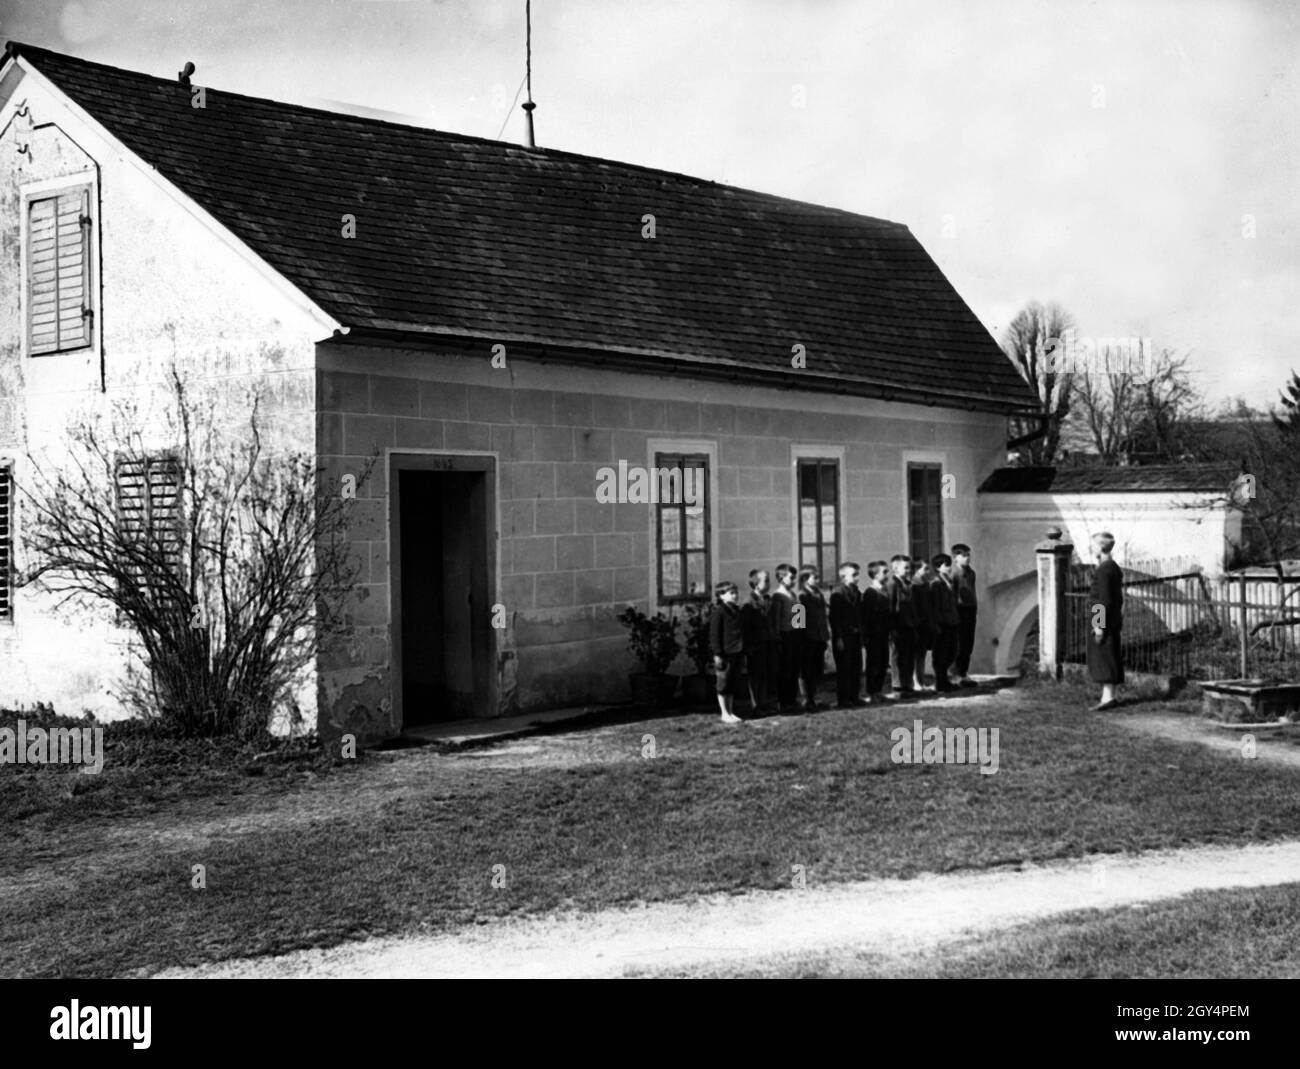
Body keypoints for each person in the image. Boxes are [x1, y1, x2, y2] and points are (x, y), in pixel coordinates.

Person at [1087, 532, 1124, 710]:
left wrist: (1098, 625)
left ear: (1101, 547)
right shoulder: (1113, 567)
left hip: (1104, 622)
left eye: (1093, 545)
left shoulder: (1103, 570)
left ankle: (1108, 698)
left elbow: (1102, 600)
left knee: (1105, 658)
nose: (1091, 549)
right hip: (1113, 620)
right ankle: (1108, 696)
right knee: (1109, 657)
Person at [741, 569, 778, 713]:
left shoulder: (771, 599)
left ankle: (768, 703)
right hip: (756, 645)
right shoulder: (749, 603)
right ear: (756, 584)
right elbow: (745, 627)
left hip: (771, 642)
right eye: (766, 581)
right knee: (757, 676)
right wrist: (748, 646)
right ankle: (757, 705)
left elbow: (776, 620)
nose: (769, 583)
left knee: (769, 674)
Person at [709, 580, 746, 723]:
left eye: (736, 592)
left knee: (732, 683)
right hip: (725, 653)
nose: (735, 595)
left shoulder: (736, 611)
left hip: (737, 651)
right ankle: (724, 712)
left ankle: (731, 711)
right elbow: (714, 635)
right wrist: (718, 653)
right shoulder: (719, 613)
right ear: (721, 596)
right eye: (731, 593)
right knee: (723, 683)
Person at [829, 561, 864, 708]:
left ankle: (854, 696)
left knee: (856, 666)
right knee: (844, 668)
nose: (857, 578)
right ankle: (843, 699)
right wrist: (838, 638)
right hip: (843, 636)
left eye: (858, 575)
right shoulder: (837, 594)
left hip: (855, 635)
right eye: (854, 575)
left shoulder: (857, 593)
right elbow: (835, 619)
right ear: (843, 577)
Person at [769, 563, 802, 713]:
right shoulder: (777, 597)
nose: (794, 580)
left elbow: (799, 618)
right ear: (781, 578)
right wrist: (778, 641)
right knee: (785, 670)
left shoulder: (794, 595)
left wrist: (801, 633)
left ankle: (793, 700)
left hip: (795, 636)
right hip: (784, 636)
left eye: (795, 577)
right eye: (791, 577)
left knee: (794, 669)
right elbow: (775, 621)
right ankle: (784, 702)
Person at [797, 565, 830, 712]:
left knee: (817, 670)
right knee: (806, 670)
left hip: (819, 638)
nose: (817, 580)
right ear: (805, 580)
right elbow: (797, 621)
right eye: (814, 577)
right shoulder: (801, 596)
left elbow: (823, 617)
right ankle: (806, 699)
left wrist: (825, 637)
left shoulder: (819, 594)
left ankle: (814, 698)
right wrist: (801, 639)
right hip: (806, 639)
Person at [860, 560, 893, 702]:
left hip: (884, 633)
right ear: (875, 574)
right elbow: (866, 617)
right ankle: (872, 693)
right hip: (874, 635)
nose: (887, 575)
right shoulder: (870, 593)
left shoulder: (884, 591)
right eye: (884, 572)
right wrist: (866, 636)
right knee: (874, 664)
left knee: (883, 663)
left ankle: (878, 691)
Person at [884, 555, 916, 696]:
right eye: (905, 567)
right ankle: (898, 687)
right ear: (895, 568)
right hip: (897, 628)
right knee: (897, 657)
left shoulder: (908, 585)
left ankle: (908, 685)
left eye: (909, 567)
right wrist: (891, 629)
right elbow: (890, 608)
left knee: (909, 657)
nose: (908, 570)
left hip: (909, 626)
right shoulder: (892, 585)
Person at [929, 553, 960, 692]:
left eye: (949, 565)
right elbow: (935, 606)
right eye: (946, 565)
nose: (949, 568)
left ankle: (945, 680)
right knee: (941, 654)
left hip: (952, 621)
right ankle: (941, 682)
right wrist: (937, 624)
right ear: (937, 567)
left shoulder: (948, 581)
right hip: (942, 623)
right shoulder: (936, 584)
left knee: (952, 652)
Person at [951, 543, 979, 687]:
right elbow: (953, 596)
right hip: (959, 611)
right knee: (958, 643)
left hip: (970, 610)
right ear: (955, 557)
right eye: (963, 555)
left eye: (968, 555)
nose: (967, 558)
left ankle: (963, 672)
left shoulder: (971, 573)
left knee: (968, 643)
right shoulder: (954, 574)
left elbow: (972, 591)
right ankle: (955, 674)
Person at [910, 559, 936, 690]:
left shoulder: (925, 585)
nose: (928, 571)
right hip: (918, 626)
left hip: (926, 625)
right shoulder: (913, 586)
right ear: (916, 570)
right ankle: (915, 682)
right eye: (925, 569)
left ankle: (920, 681)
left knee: (922, 655)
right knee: (916, 655)